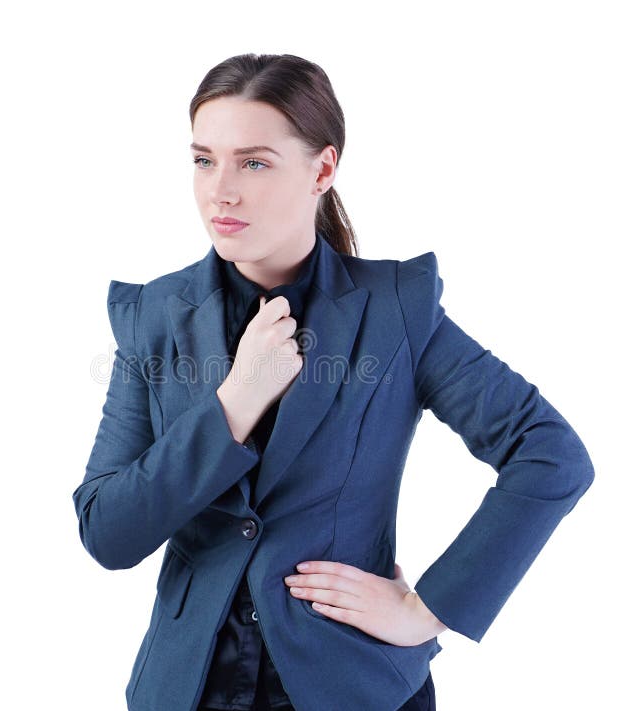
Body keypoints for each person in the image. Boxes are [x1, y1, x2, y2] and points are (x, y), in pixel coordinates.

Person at [72, 53, 594, 711]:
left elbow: (551, 455)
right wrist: (233, 405)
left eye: (253, 162)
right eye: (204, 159)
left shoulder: (395, 310)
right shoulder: (153, 314)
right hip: (187, 689)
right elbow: (107, 532)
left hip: (353, 687)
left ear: (322, 168)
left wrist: (429, 606)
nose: (219, 190)